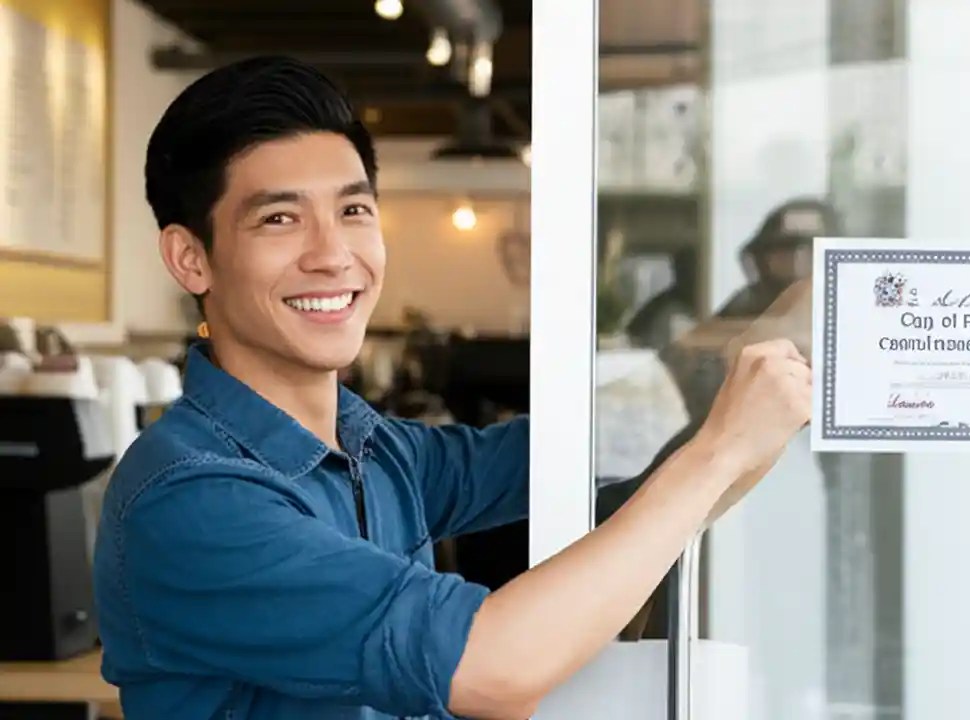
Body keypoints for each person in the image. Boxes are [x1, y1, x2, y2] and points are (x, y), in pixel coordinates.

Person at [91, 56, 812, 720]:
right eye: (280, 219)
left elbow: (606, 443)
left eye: (353, 210)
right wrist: (717, 451)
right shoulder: (191, 500)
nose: (333, 254)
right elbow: (492, 666)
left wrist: (763, 336)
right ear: (191, 258)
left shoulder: (374, 447)